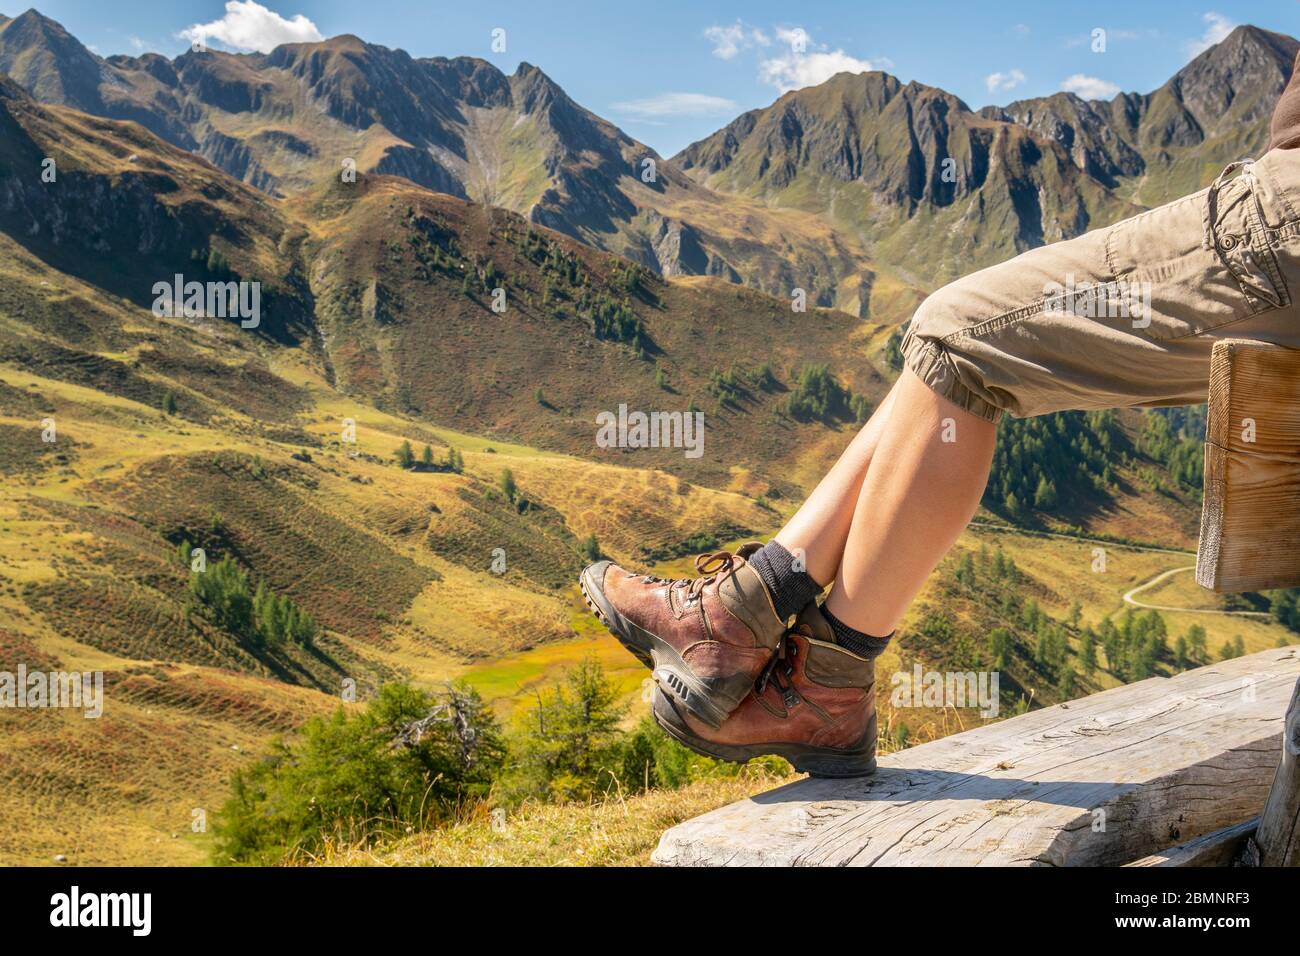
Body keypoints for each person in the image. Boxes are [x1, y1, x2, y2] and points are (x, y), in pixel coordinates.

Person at [580, 57, 1300, 778]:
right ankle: (749, 616)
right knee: (942, 362)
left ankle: (801, 666)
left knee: (952, 336)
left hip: (1282, 226)